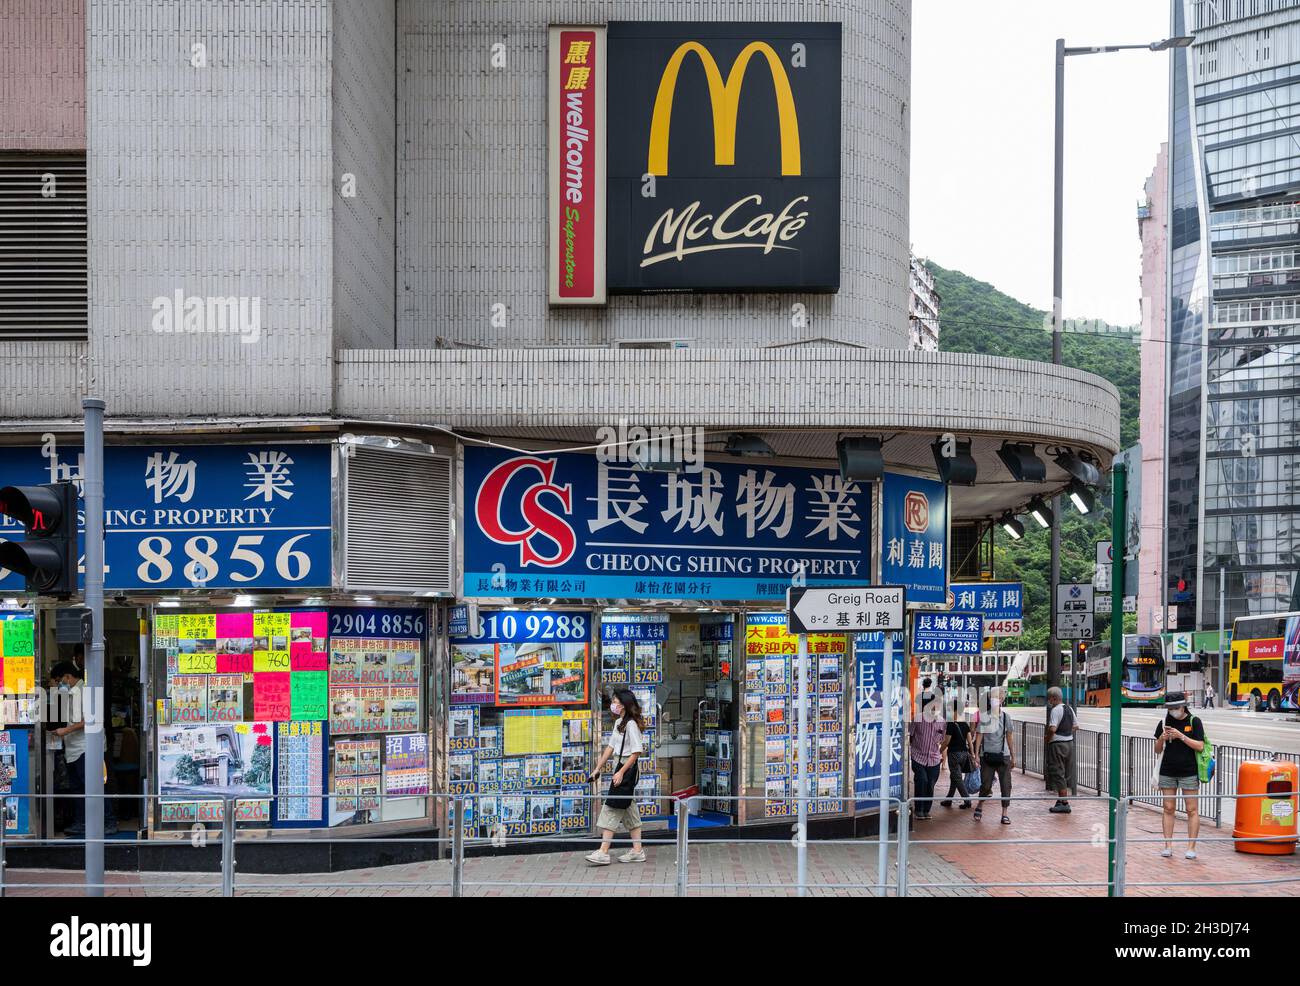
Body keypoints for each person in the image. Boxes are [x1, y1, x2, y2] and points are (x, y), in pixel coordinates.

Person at [50, 661, 117, 838]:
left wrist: (66, 730)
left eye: (59, 681)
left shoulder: (86, 691)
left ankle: (109, 822)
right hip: (74, 748)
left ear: (67, 677)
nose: (58, 685)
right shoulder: (71, 694)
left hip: (87, 747)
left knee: (94, 786)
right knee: (77, 788)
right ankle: (82, 822)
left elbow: (91, 719)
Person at [585, 689, 646, 865]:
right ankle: (637, 850)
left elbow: (636, 752)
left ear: (624, 704)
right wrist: (597, 769)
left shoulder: (631, 725)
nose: (613, 705)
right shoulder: (619, 722)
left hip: (626, 767)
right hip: (618, 765)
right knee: (628, 808)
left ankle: (603, 852)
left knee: (612, 806)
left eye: (616, 701)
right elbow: (610, 748)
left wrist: (621, 772)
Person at [1154, 690, 1205, 860]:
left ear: (1183, 706)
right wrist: (1162, 737)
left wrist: (1181, 736)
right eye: (1170, 708)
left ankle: (1191, 847)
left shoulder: (1194, 721)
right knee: (1168, 808)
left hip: (1189, 771)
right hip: (1168, 770)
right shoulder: (1164, 722)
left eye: (1176, 707)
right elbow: (1157, 750)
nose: (1173, 711)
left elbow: (1200, 746)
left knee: (1191, 809)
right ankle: (1167, 845)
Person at [973, 687, 1015, 825]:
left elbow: (1009, 737)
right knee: (985, 784)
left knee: (1006, 785)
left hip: (1003, 756)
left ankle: (1005, 813)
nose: (994, 700)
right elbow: (979, 735)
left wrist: (1013, 756)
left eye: (997, 698)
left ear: (1002, 700)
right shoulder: (985, 716)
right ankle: (980, 805)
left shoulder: (1006, 717)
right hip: (987, 756)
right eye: (992, 698)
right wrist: (977, 755)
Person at [908, 680, 945, 820]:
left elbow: (941, 738)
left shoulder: (941, 721)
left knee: (930, 784)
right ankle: (919, 809)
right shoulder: (917, 719)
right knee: (921, 780)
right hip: (918, 757)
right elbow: (910, 736)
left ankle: (926, 810)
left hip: (934, 759)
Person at [1044, 686, 1076, 814]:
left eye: (1049, 698)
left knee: (1058, 772)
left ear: (1054, 698)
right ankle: (1061, 800)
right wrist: (1066, 733)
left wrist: (1048, 738)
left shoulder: (1055, 710)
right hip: (1069, 743)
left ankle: (1064, 803)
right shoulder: (1069, 708)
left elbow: (1052, 729)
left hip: (1058, 745)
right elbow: (1076, 726)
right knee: (1065, 772)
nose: (1049, 701)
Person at [939, 707, 973, 809]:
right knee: (954, 776)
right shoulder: (965, 724)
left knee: (957, 778)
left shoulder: (951, 724)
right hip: (964, 754)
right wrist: (972, 753)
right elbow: (970, 742)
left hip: (954, 754)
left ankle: (967, 801)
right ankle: (949, 800)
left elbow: (946, 741)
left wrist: (939, 751)